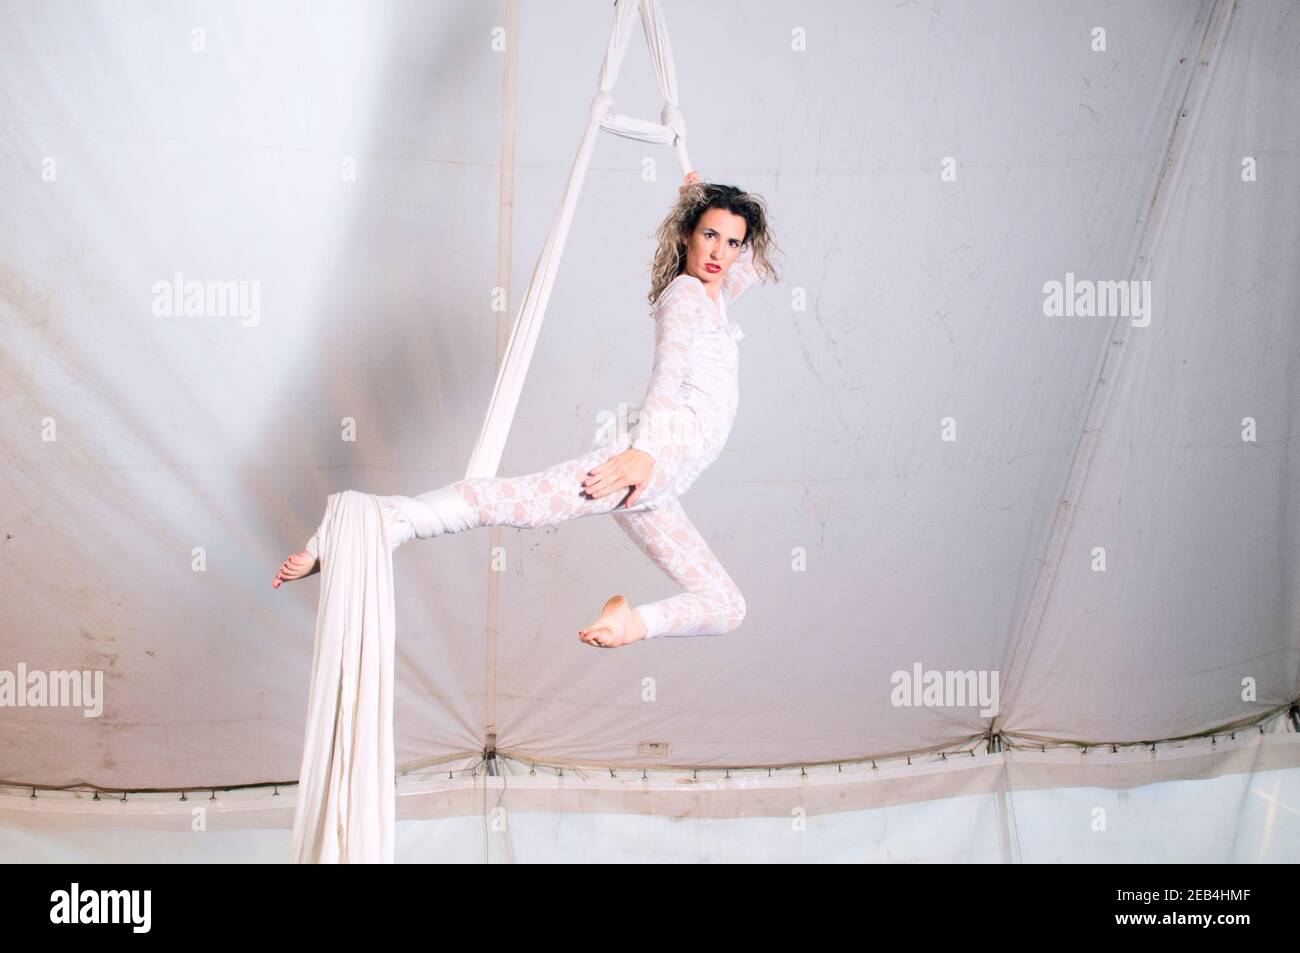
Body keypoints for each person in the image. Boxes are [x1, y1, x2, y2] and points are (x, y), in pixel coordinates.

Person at [274, 171, 780, 649]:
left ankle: (631, 623)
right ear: (688, 235)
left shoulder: (720, 290)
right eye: (709, 236)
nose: (720, 252)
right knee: (528, 501)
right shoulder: (687, 297)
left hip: (670, 476)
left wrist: (695, 191)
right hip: (656, 456)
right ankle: (381, 523)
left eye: (731, 242)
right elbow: (666, 377)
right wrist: (644, 454)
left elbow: (752, 264)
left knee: (726, 605)